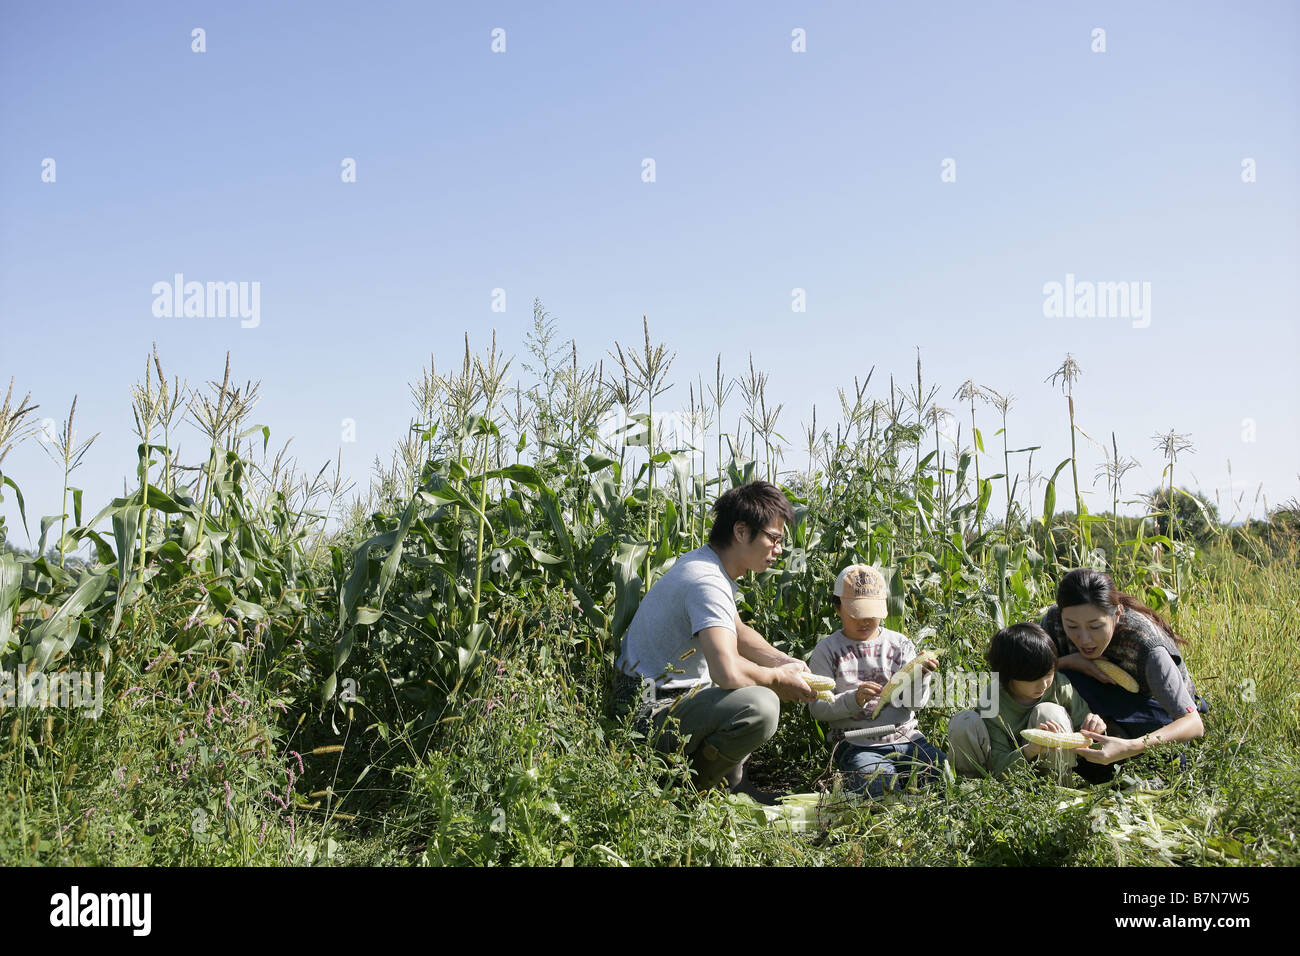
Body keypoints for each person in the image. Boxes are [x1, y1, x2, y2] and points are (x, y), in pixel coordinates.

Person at [613, 481, 815, 798]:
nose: (779, 550)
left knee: (747, 695)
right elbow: (727, 672)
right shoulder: (706, 581)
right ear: (741, 531)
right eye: (773, 539)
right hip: (645, 711)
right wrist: (777, 679)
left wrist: (782, 661)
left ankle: (722, 783)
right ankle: (686, 795)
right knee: (760, 706)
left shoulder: (708, 566)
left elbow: (737, 632)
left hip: (672, 696)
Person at [1041, 568, 1207, 776]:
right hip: (1096, 706)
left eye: (1095, 627)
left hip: (1152, 715)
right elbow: (1024, 671)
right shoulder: (1053, 621)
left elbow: (1192, 723)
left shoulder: (1147, 648)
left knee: (1167, 761)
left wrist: (1130, 747)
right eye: (1072, 626)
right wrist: (1069, 662)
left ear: (1117, 613)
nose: (1084, 639)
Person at [807, 564, 947, 796]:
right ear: (838, 608)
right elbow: (818, 709)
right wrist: (854, 699)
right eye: (857, 614)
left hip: (906, 738)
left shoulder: (899, 645)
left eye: (872, 615)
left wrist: (921, 677)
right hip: (855, 744)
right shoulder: (827, 651)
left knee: (944, 776)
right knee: (879, 787)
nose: (865, 621)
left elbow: (914, 704)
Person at [947, 622, 1106, 779]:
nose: (1043, 685)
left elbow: (1088, 737)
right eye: (1033, 679)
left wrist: (1096, 730)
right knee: (963, 720)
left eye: (1048, 674)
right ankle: (969, 787)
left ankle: (1057, 787)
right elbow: (998, 763)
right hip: (1006, 773)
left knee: (1049, 712)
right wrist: (1030, 750)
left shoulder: (1059, 684)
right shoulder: (992, 700)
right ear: (1008, 677)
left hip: (1050, 773)